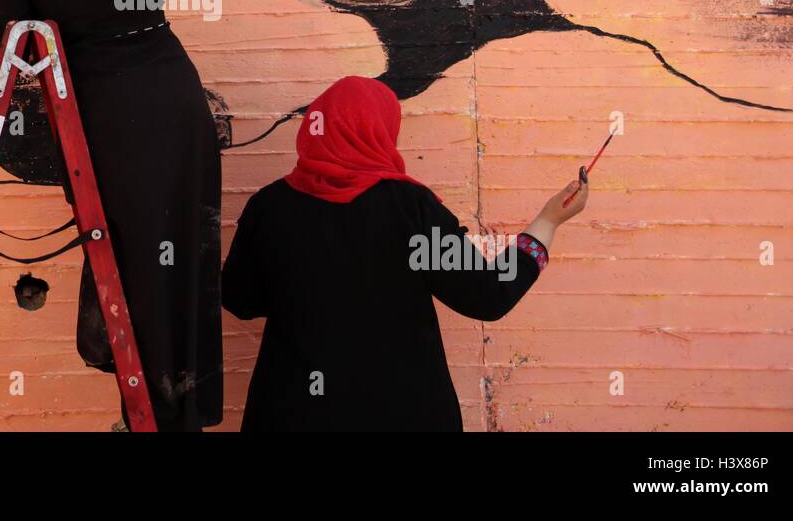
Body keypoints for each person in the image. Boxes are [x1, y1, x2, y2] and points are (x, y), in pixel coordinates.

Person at [0, 0, 223, 431]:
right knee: (181, 252)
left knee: (126, 256)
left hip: (108, 115)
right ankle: (172, 412)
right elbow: (141, 15)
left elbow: (12, 40)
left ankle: (150, 416)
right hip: (175, 101)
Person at [220, 75, 588, 431]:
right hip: (404, 414)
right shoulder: (411, 210)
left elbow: (240, 300)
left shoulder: (269, 207)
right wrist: (548, 222)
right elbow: (489, 295)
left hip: (292, 413)